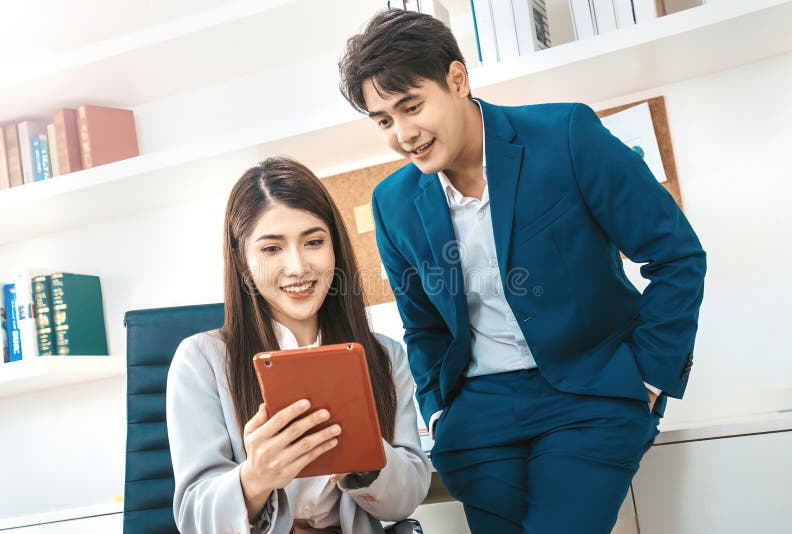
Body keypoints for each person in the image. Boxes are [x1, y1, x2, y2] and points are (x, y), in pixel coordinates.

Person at [338, 9, 706, 533]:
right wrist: (439, 412)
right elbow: (422, 325)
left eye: (411, 106)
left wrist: (648, 375)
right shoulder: (393, 203)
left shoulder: (566, 135)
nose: (403, 133)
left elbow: (677, 255)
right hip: (479, 417)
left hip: (591, 392)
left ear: (457, 80)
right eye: (383, 121)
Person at [166, 156, 430, 533]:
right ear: (243, 261)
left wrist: (363, 459)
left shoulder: (384, 356)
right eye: (271, 248)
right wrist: (255, 477)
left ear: (335, 248)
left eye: (314, 242)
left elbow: (406, 499)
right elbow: (194, 519)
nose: (297, 267)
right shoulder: (201, 360)